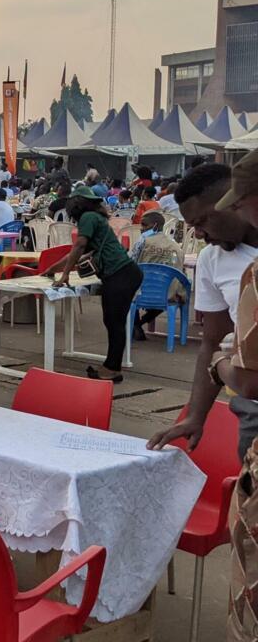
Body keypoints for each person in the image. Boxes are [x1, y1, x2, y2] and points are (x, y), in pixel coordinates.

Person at [147, 152, 258, 638]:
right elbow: (213, 342)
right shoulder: (215, 261)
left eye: (204, 221)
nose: (199, 234)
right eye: (191, 226)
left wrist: (225, 367)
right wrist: (196, 415)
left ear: (237, 202)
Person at [41, 186, 140, 382]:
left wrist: (65, 274)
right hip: (126, 273)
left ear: (77, 204)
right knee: (115, 323)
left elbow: (79, 246)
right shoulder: (96, 217)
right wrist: (54, 269)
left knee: (114, 323)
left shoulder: (88, 217)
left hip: (119, 274)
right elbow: (75, 253)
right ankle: (112, 366)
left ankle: (112, 369)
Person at [128, 211, 185, 341]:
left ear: (154, 225)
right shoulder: (175, 246)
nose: (141, 229)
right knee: (174, 292)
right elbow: (179, 269)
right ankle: (141, 322)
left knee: (129, 286)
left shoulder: (142, 242)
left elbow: (131, 262)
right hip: (167, 294)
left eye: (144, 225)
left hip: (142, 292)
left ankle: (136, 324)